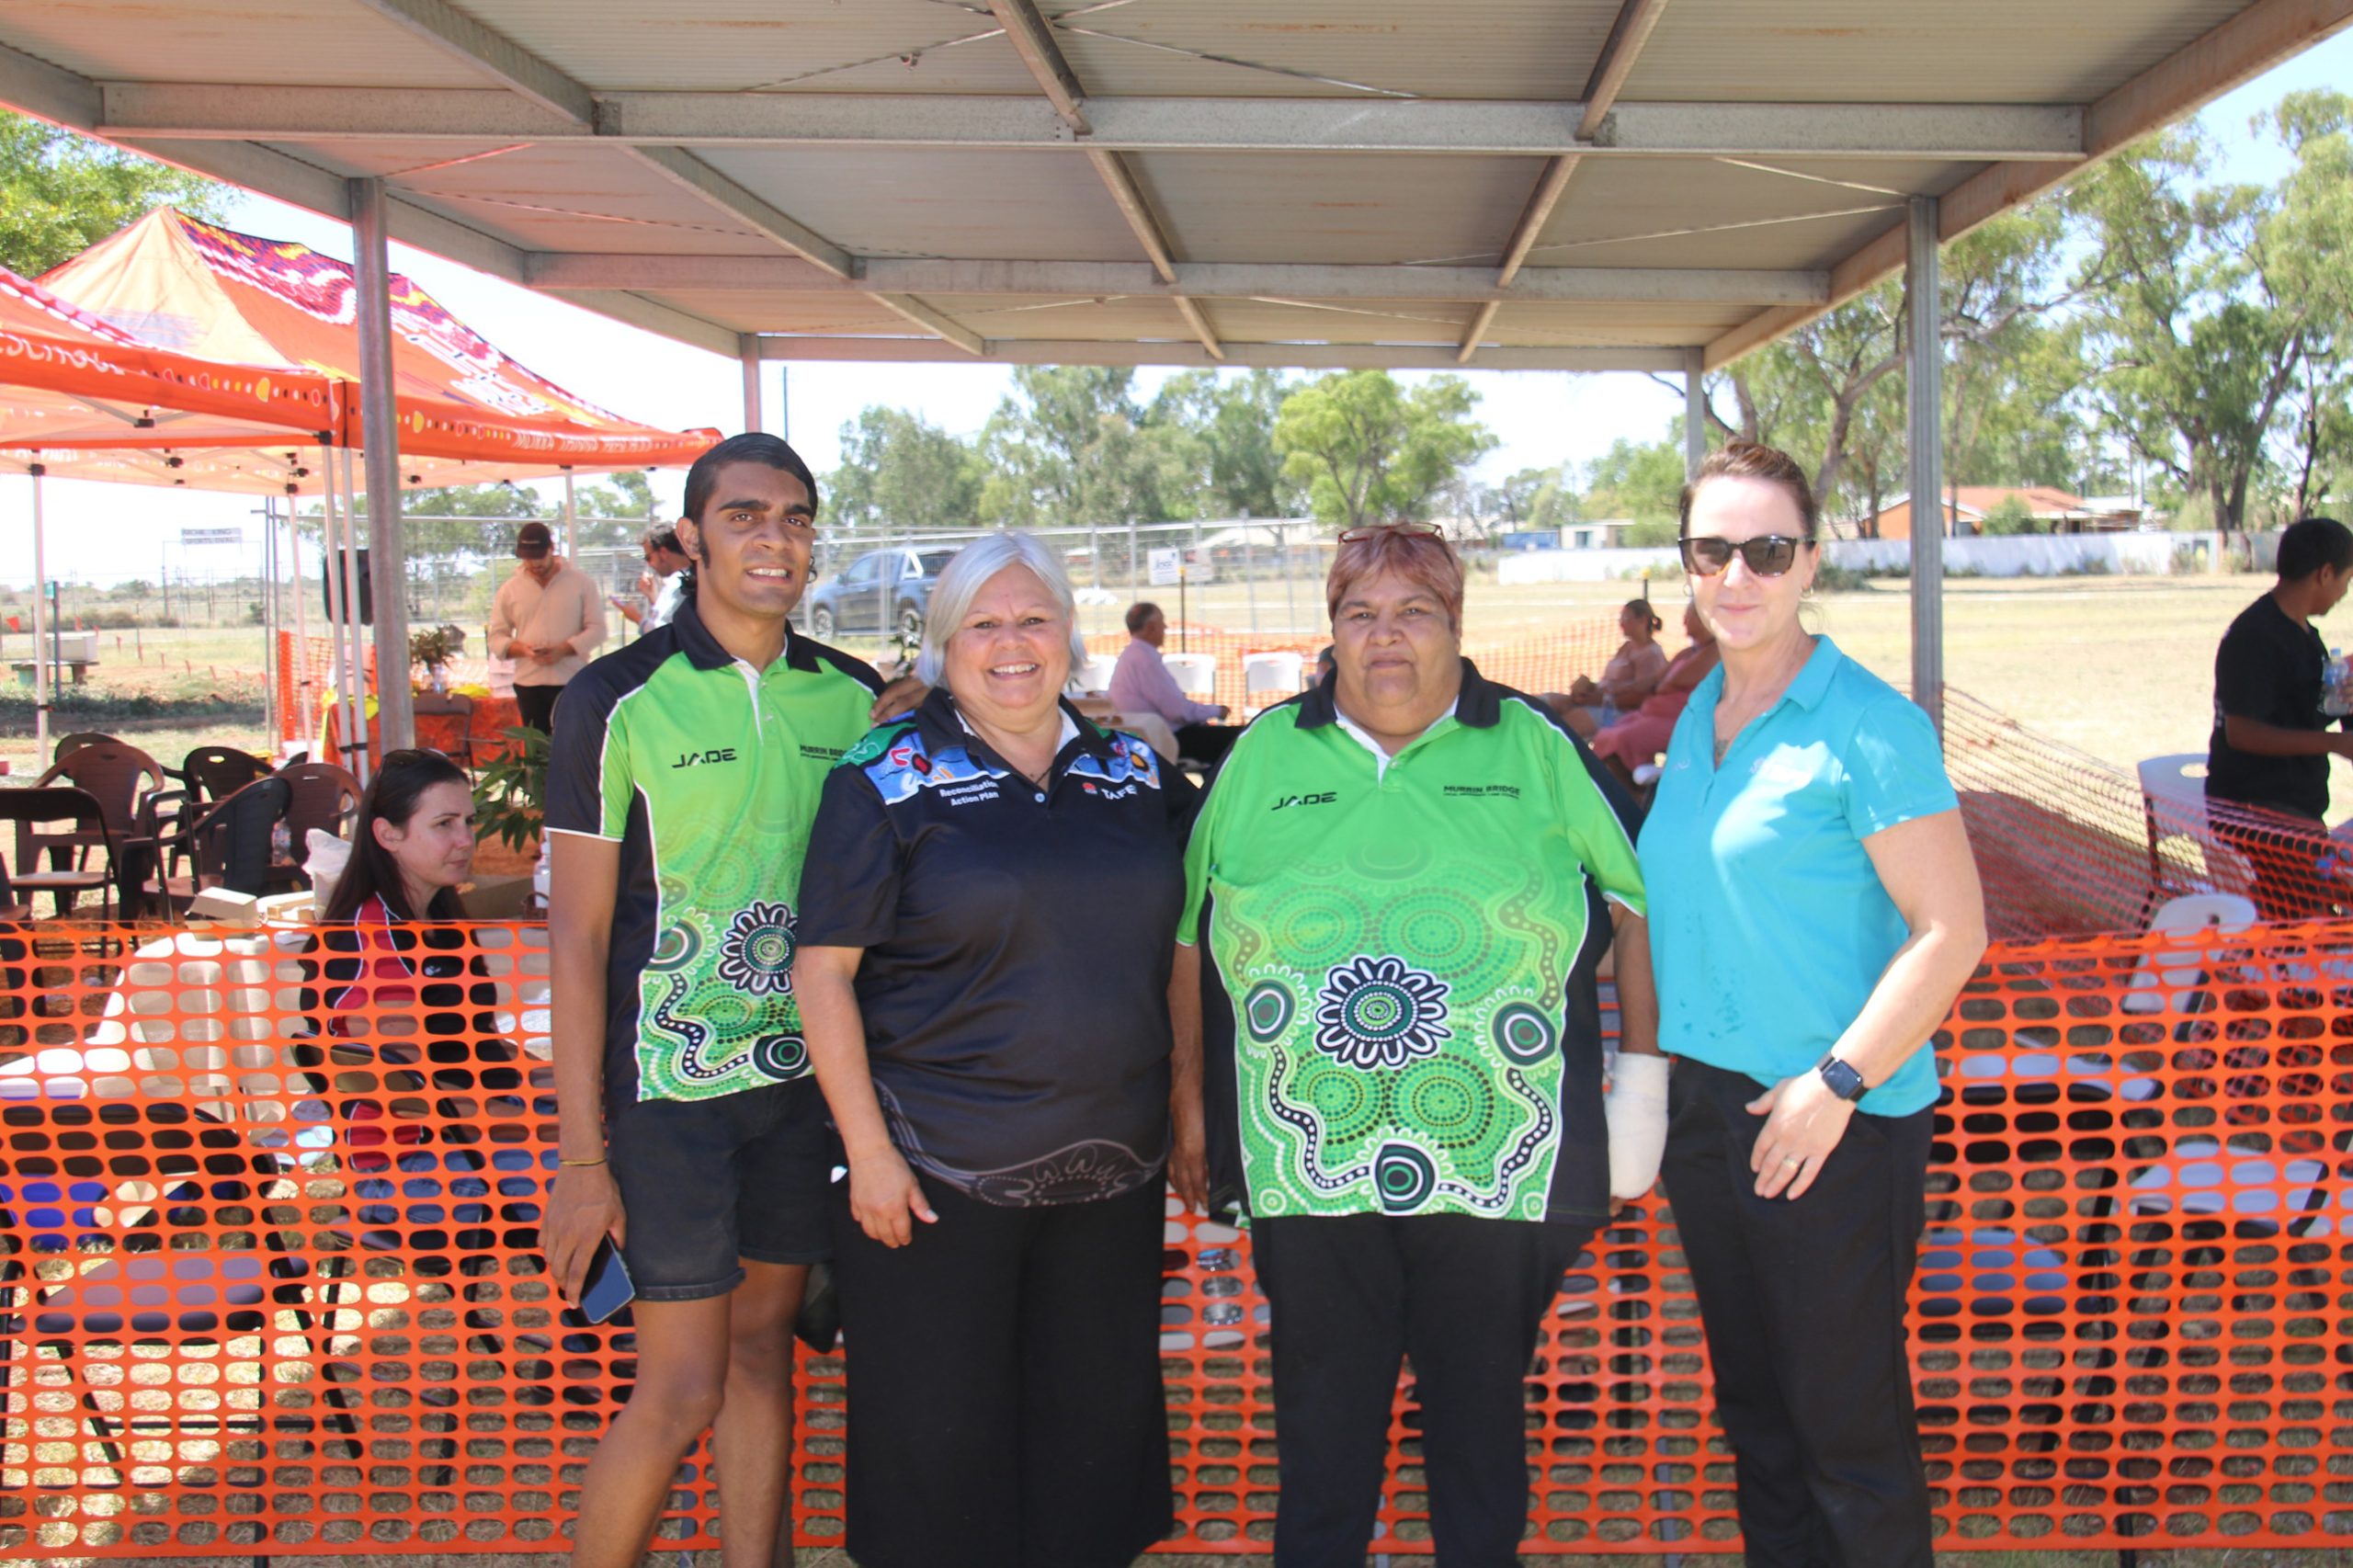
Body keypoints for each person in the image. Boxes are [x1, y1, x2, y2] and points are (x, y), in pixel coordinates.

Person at [1177, 522, 1664, 1568]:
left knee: (1478, 1429)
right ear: (1332, 631)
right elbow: (1186, 934)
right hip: (1306, 1161)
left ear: (1456, 624)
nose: (1385, 636)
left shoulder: (1533, 744)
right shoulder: (1263, 753)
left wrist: (1644, 1086)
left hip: (1499, 1162)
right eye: (1360, 613)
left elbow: (1636, 904)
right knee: (1323, 1438)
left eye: (1414, 612)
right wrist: (1188, 1104)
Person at [793, 532, 1197, 1568]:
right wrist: (867, 1153)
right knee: (940, 1456)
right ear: (943, 644)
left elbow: (1190, 945)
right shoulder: (880, 778)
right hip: (936, 1178)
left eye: (1033, 619)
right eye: (983, 623)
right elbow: (822, 973)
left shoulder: (1135, 772)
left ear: (1068, 633)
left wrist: (1189, 1104)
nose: (1011, 644)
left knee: (1091, 1449)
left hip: (1113, 1170)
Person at [539, 433, 887, 1568]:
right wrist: (580, 1157)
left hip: (801, 1087)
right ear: (691, 537)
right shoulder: (612, 698)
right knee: (681, 1385)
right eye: (743, 516)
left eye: (794, 517)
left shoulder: (853, 695)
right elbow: (576, 936)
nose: (773, 539)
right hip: (667, 1091)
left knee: (758, 1353)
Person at [1637, 440, 1986, 1568]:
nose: (1736, 574)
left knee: (1846, 1435)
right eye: (1711, 550)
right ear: (1686, 564)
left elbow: (1952, 931)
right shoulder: (1700, 711)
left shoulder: (1868, 724)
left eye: (1767, 549)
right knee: (1760, 1418)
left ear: (1811, 561)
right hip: (1709, 1114)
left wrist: (1834, 1083)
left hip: (1834, 1118)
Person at [2204, 515, 2353, 919]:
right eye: (2346, 581)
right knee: (2312, 924)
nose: (2344, 593)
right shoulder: (2255, 636)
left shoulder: (2304, 634)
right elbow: (2244, 733)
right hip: (2258, 814)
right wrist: (2336, 743)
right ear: (2325, 574)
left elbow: (2299, 711)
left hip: (2298, 812)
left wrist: (2339, 693)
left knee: (2335, 897)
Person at [489, 519, 606, 733]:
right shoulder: (509, 590)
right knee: (536, 748)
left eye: (540, 557)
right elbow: (496, 637)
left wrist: (564, 650)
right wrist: (523, 650)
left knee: (572, 741)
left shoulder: (581, 583)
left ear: (552, 549)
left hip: (571, 680)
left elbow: (598, 629)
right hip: (528, 684)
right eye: (528, 558)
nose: (535, 564)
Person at [1586, 602, 1719, 787]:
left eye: (1689, 617)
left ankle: (1635, 794)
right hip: (1653, 713)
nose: (1684, 622)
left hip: (1682, 720)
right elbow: (1657, 680)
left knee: (1622, 739)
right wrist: (1613, 690)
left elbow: (1674, 681)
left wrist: (1662, 685)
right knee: (1607, 733)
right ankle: (1624, 790)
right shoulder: (1688, 652)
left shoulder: (1716, 651)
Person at [1108, 598, 1237, 766]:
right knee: (1241, 739)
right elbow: (1178, 711)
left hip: (1146, 737)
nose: (1165, 628)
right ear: (1151, 627)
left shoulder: (1130, 655)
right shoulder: (1145, 660)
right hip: (1167, 740)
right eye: (1162, 623)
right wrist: (1216, 710)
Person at [1557, 598, 1670, 729]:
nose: (1621, 623)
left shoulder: (1650, 654)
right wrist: (1589, 688)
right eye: (1621, 618)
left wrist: (1603, 700)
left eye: (1626, 618)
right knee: (1551, 703)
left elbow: (1642, 696)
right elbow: (1612, 683)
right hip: (1602, 701)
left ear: (1643, 620)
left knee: (1568, 722)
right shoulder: (1626, 647)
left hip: (1621, 713)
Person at [613, 524, 692, 634]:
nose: (649, 564)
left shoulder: (681, 585)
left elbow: (664, 634)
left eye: (648, 558)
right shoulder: (684, 579)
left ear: (663, 553)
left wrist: (637, 618)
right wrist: (652, 596)